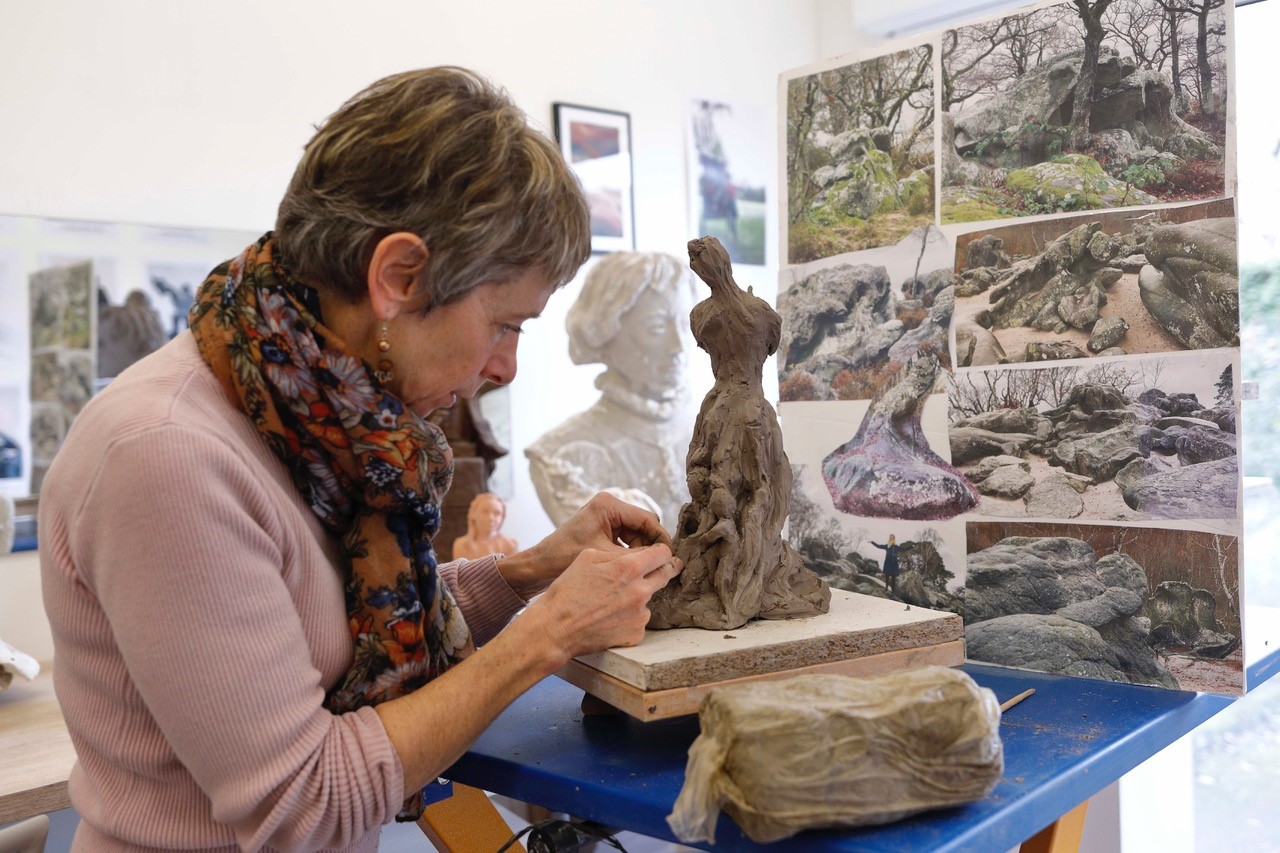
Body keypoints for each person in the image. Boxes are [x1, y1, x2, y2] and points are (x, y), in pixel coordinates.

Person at [38, 67, 681, 852]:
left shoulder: (308, 414)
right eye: (507, 323)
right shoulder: (166, 457)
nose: (508, 365)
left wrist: (528, 572)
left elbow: (322, 627)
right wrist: (544, 636)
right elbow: (303, 801)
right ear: (399, 277)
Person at [526, 251, 698, 528]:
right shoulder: (561, 454)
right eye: (656, 327)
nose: (679, 346)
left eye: (684, 324)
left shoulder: (724, 431)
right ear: (604, 331)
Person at [452, 492, 518, 560]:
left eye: (497, 513)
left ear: (502, 518)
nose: (491, 518)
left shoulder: (509, 545)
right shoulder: (460, 545)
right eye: (485, 511)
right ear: (473, 514)